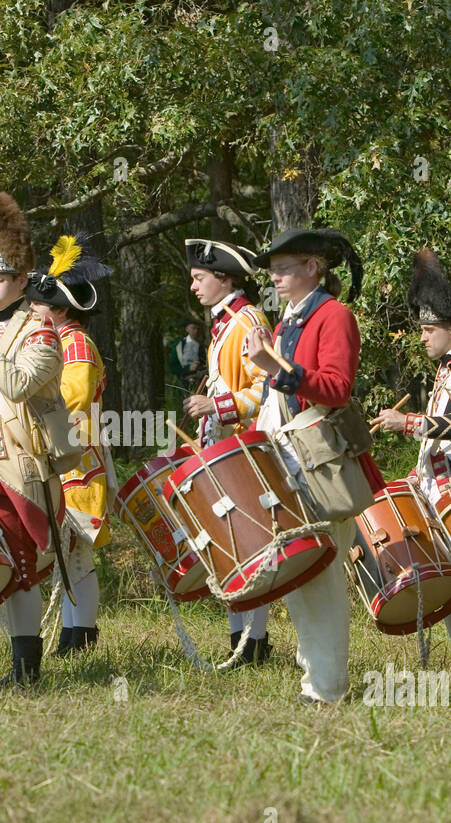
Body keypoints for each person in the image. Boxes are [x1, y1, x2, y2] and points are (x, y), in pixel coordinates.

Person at [244, 227, 384, 703]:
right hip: (289, 458)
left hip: (323, 461)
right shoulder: (287, 323)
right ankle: (315, 677)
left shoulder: (334, 315)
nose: (276, 277)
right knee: (297, 579)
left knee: (321, 577)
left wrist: (278, 369)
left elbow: (337, 388)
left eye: (284, 268)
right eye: (274, 270)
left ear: (313, 268)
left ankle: (327, 687)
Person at [0, 192, 80, 686]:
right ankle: (19, 664)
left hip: (21, 468)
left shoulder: (40, 331)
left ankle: (27, 671)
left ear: (22, 280)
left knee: (20, 565)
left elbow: (20, 384)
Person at [373, 248, 451, 669]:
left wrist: (406, 422)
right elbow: (437, 439)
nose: (423, 336)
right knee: (448, 582)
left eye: (430, 329)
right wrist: (416, 473)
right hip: (436, 489)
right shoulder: (445, 371)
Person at [182, 237, 274, 666]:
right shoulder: (226, 322)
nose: (194, 287)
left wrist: (216, 405)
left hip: (247, 450)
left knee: (251, 544)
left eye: (200, 278)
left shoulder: (248, 321)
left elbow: (268, 387)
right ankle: (241, 640)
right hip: (225, 446)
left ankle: (255, 643)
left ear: (224, 277)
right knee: (231, 545)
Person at [23, 234, 114, 656]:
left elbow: (73, 402)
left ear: (59, 309)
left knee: (77, 554)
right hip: (63, 456)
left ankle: (80, 637)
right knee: (69, 555)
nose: (31, 310)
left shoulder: (75, 343)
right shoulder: (58, 341)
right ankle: (74, 635)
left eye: (39, 305)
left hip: (77, 458)